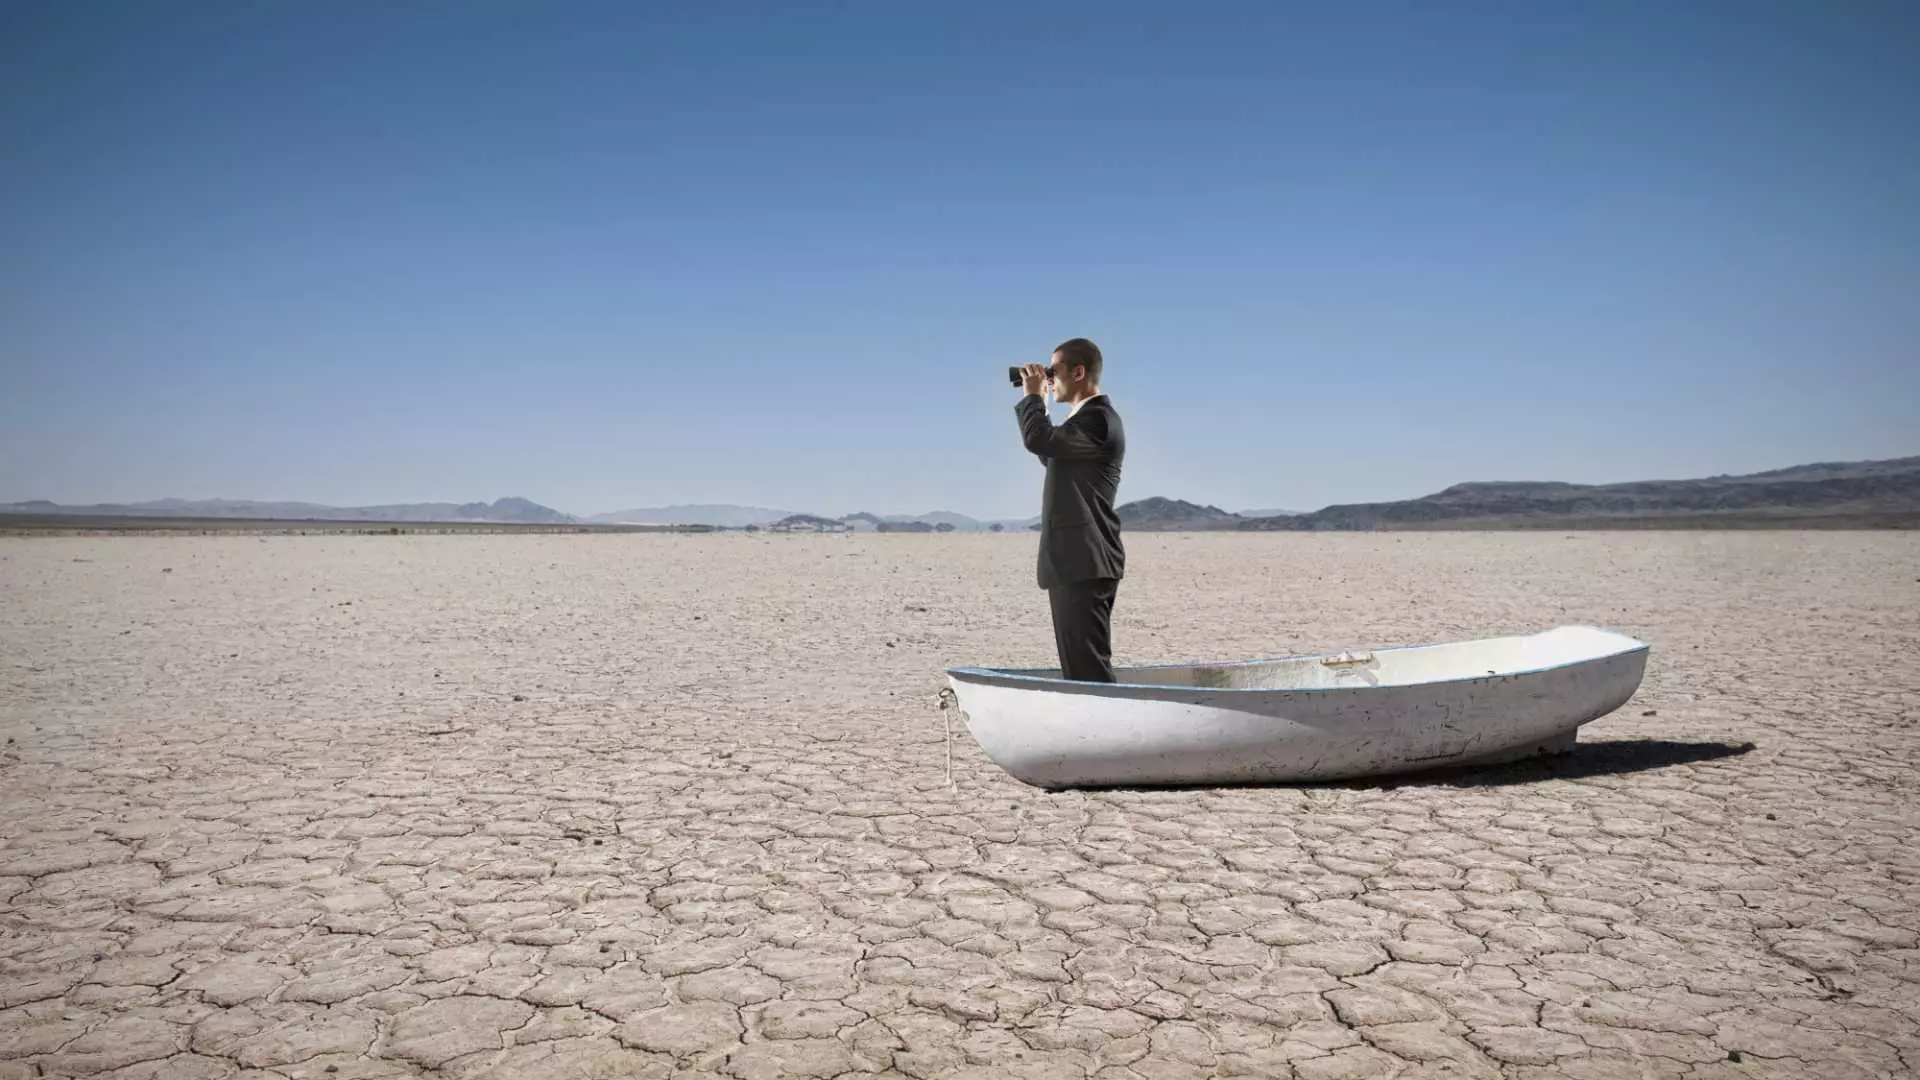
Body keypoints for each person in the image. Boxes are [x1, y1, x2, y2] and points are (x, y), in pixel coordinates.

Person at [1014, 337, 1125, 683]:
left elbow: (1039, 441)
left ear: (1079, 372)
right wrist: (1041, 405)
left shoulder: (1098, 420)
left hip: (1084, 562)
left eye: (1054, 371)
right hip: (1077, 562)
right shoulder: (1086, 423)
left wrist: (1032, 395)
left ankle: (1110, 734)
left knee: (1088, 672)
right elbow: (1049, 453)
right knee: (1081, 670)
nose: (1049, 378)